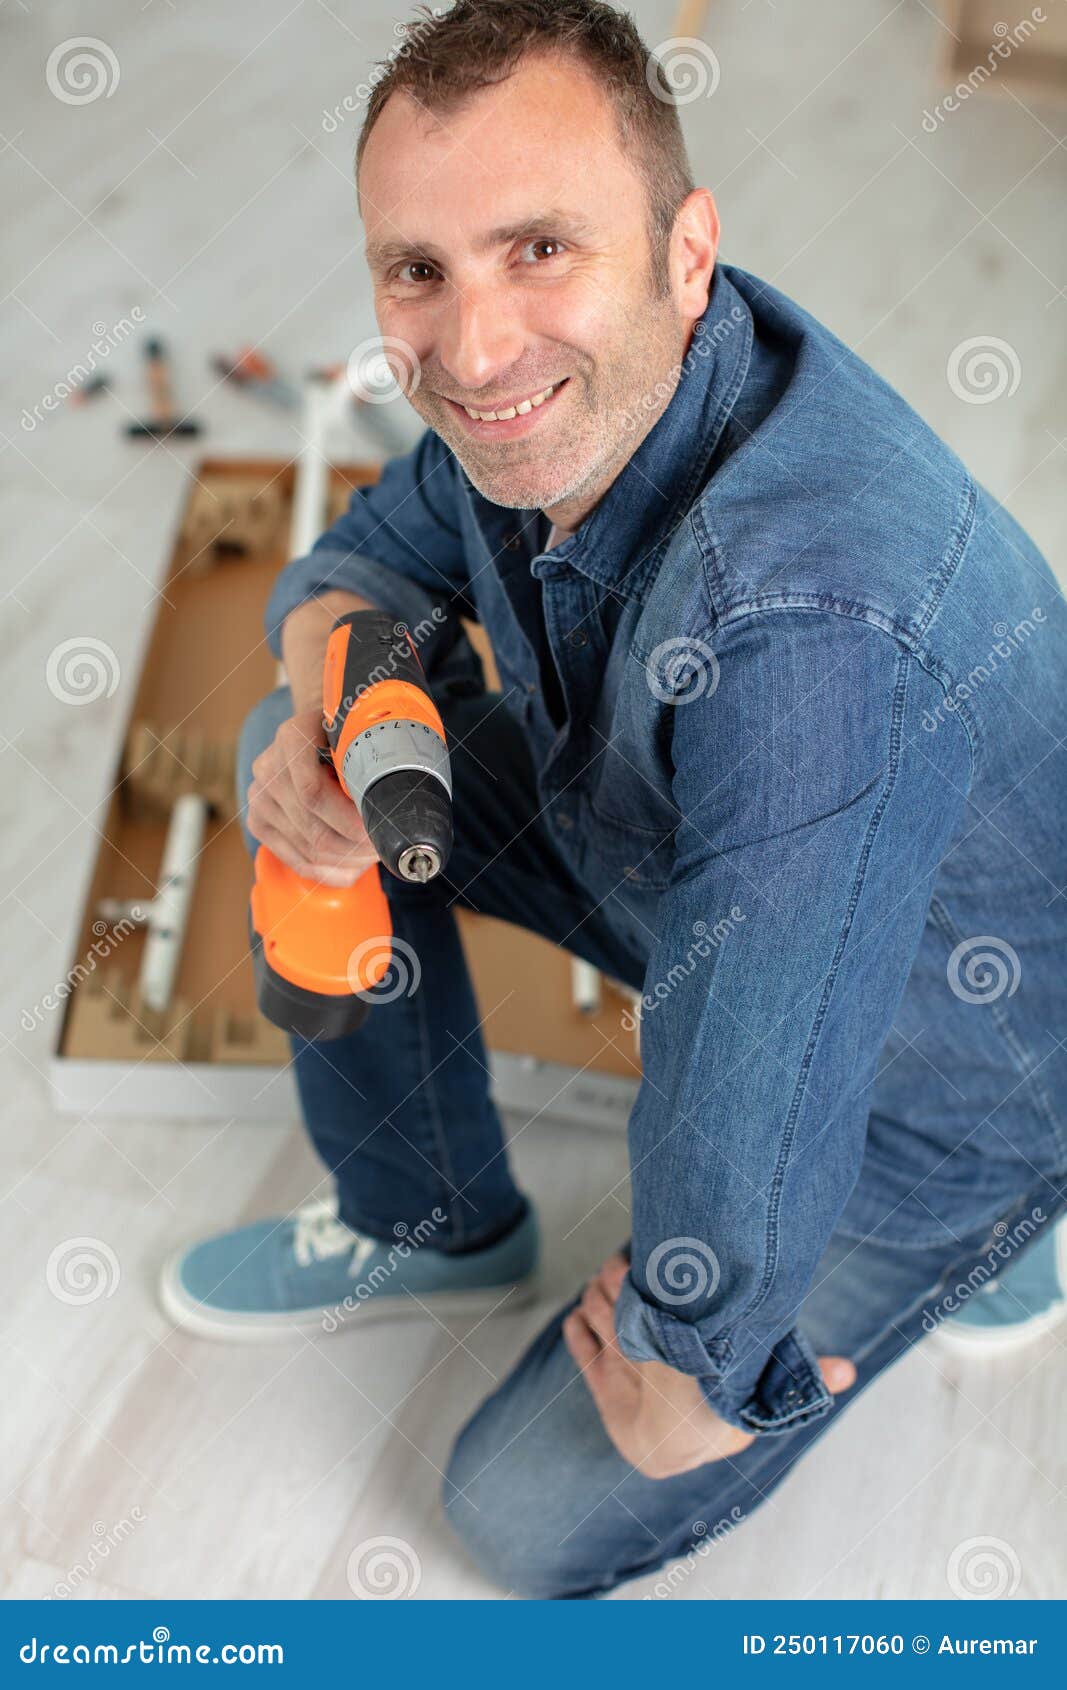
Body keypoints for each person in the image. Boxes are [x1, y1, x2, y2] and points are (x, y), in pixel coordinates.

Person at [159, 0, 1067, 1598]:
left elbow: (767, 1061)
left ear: (685, 250)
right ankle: (434, 1215)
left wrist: (696, 1362)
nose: (474, 348)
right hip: (703, 874)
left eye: (539, 249)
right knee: (300, 760)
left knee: (523, 1507)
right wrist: (329, 709)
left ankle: (996, 1223)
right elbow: (364, 557)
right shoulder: (565, 407)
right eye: (418, 269)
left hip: (942, 1072)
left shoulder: (810, 627)